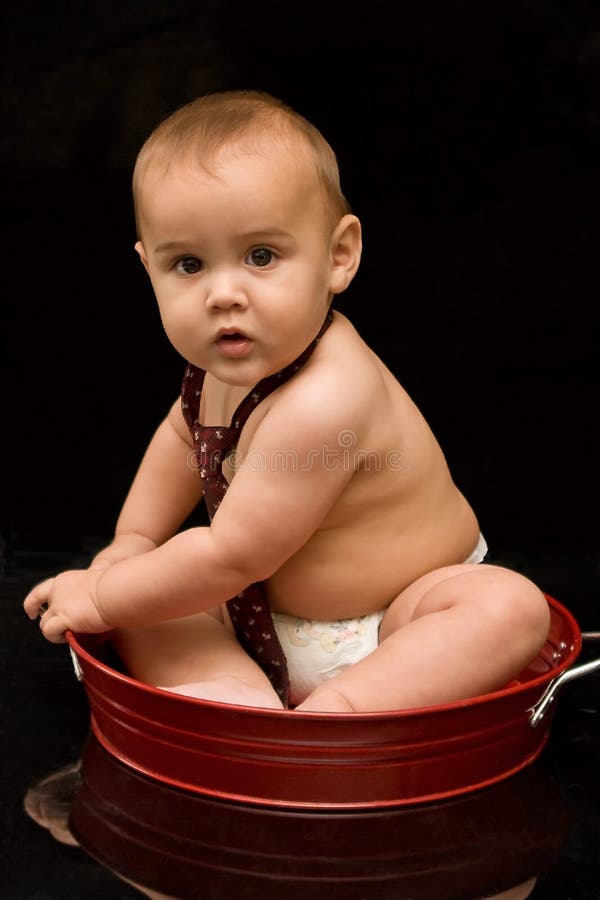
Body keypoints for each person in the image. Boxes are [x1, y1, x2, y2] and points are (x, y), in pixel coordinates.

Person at [23, 90, 550, 713]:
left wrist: (106, 594)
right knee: (150, 600)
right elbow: (179, 436)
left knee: (507, 607)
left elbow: (230, 556)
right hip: (261, 615)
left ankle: (342, 713)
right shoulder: (218, 366)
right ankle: (236, 701)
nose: (223, 294)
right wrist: (132, 544)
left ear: (337, 256)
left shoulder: (327, 398)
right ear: (148, 271)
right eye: (188, 265)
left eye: (261, 256)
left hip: (399, 621)